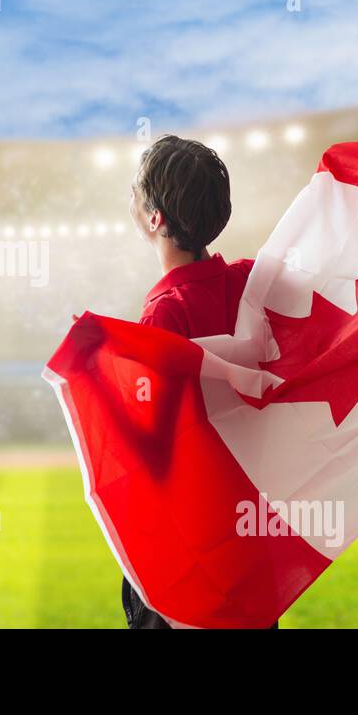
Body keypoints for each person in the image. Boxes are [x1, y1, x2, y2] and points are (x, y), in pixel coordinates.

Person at [122, 134, 278, 629]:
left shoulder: (163, 316)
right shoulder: (253, 282)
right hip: (252, 542)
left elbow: (154, 449)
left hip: (186, 549)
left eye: (135, 192)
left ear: (154, 220)